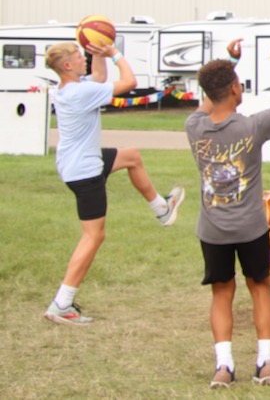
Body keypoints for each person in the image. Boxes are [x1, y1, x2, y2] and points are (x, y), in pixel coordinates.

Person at [43, 41, 185, 326]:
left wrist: (96, 51)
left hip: (79, 162)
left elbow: (99, 78)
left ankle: (162, 208)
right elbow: (128, 82)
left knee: (131, 156)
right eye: (79, 56)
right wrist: (115, 54)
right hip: (84, 171)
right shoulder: (80, 92)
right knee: (93, 236)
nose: (83, 59)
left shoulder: (72, 87)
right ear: (68, 66)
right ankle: (62, 303)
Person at [187, 45, 270, 388]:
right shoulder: (254, 126)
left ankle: (224, 366)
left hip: (213, 230)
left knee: (222, 294)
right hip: (251, 228)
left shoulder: (194, 127)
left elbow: (211, 98)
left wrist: (229, 66)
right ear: (236, 88)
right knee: (260, 288)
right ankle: (265, 362)